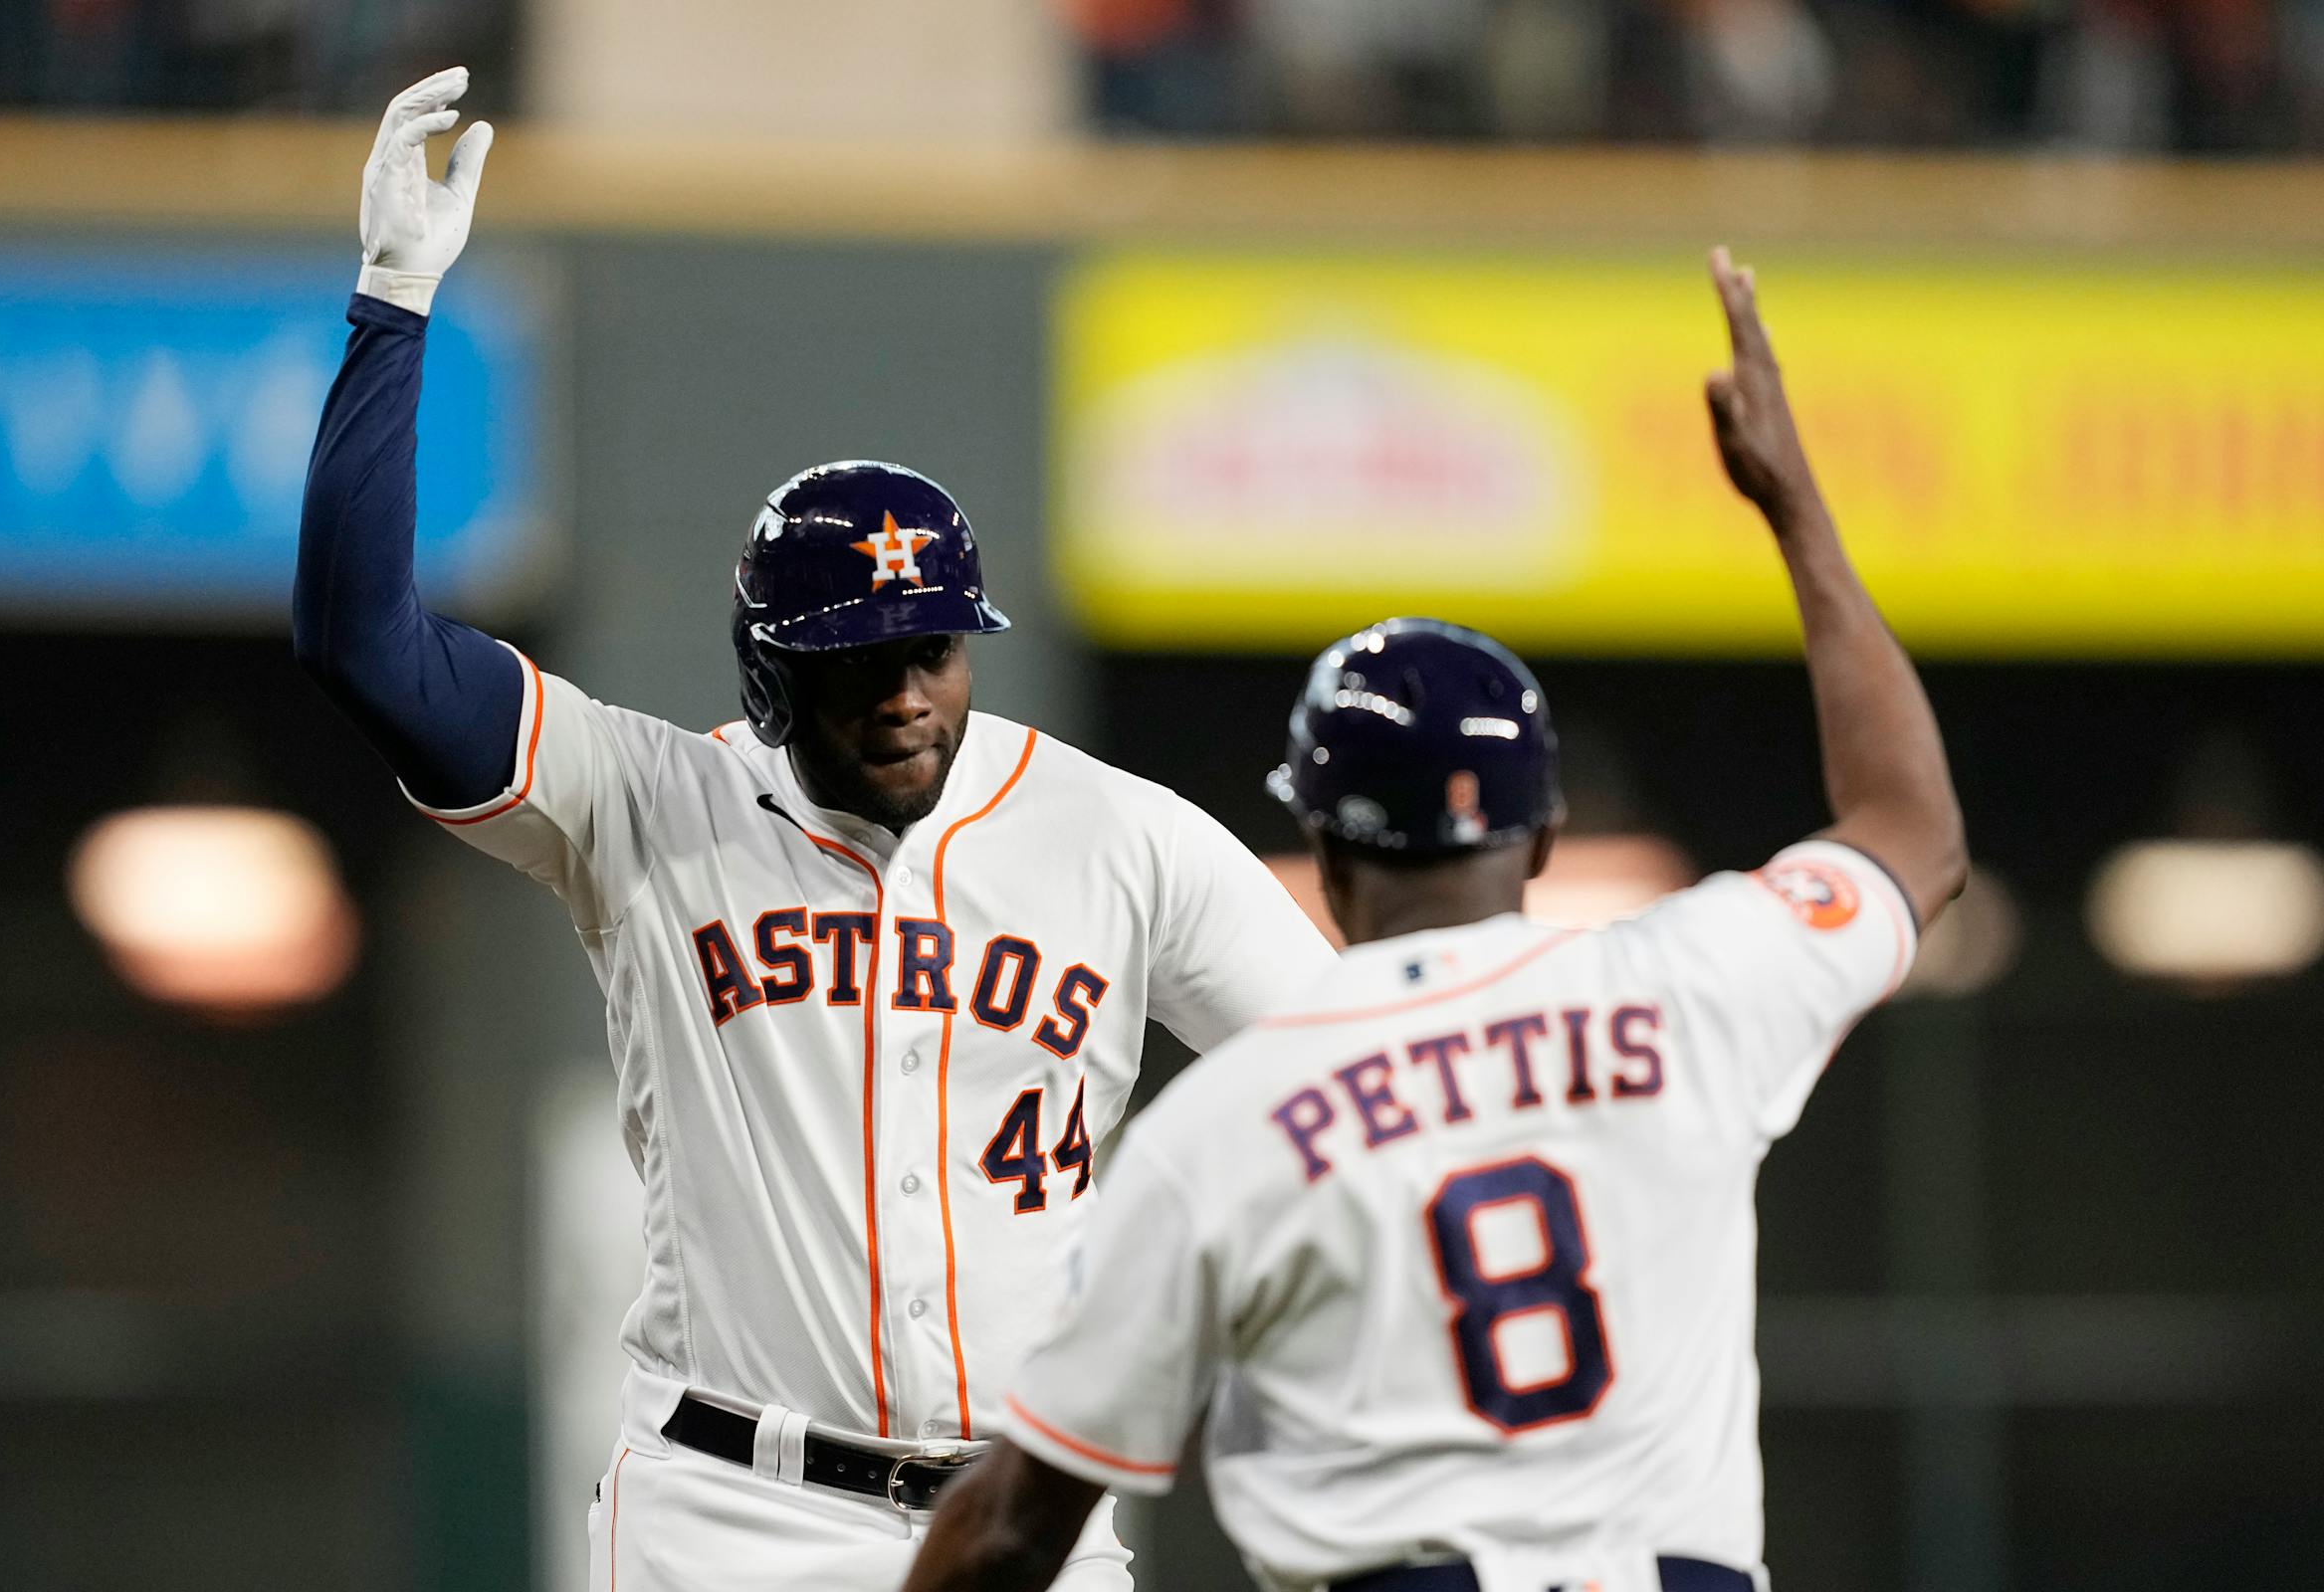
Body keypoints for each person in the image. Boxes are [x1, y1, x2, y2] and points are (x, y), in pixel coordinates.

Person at [293, 69, 1336, 1592]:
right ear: (769, 674)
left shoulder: (1122, 838)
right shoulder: (648, 800)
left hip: (1027, 1520)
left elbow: (1353, 1072)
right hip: (733, 1511)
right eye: (862, 662)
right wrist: (394, 302)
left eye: (934, 649)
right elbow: (363, 643)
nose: (910, 694)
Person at [897, 247, 1969, 1592]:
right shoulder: (1696, 983)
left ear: (1328, 857)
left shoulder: (1223, 1127)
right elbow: (1913, 833)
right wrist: (1795, 506)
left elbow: (1011, 1527)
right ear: (1547, 838)